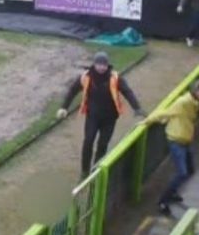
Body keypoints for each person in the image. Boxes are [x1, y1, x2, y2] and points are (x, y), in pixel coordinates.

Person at [57, 52, 146, 179]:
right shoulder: (85, 77)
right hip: (92, 116)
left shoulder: (115, 78)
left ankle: (96, 171)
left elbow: (127, 91)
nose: (101, 67)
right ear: (94, 64)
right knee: (88, 141)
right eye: (99, 64)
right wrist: (64, 107)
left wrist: (137, 107)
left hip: (110, 118)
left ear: (107, 65)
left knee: (103, 144)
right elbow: (73, 90)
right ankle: (84, 171)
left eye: (104, 65)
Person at [142, 82, 199, 215]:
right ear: (195, 91)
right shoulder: (182, 103)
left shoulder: (194, 103)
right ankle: (163, 201)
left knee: (189, 171)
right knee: (182, 172)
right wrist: (146, 121)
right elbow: (164, 113)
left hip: (185, 141)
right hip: (176, 141)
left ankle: (172, 192)